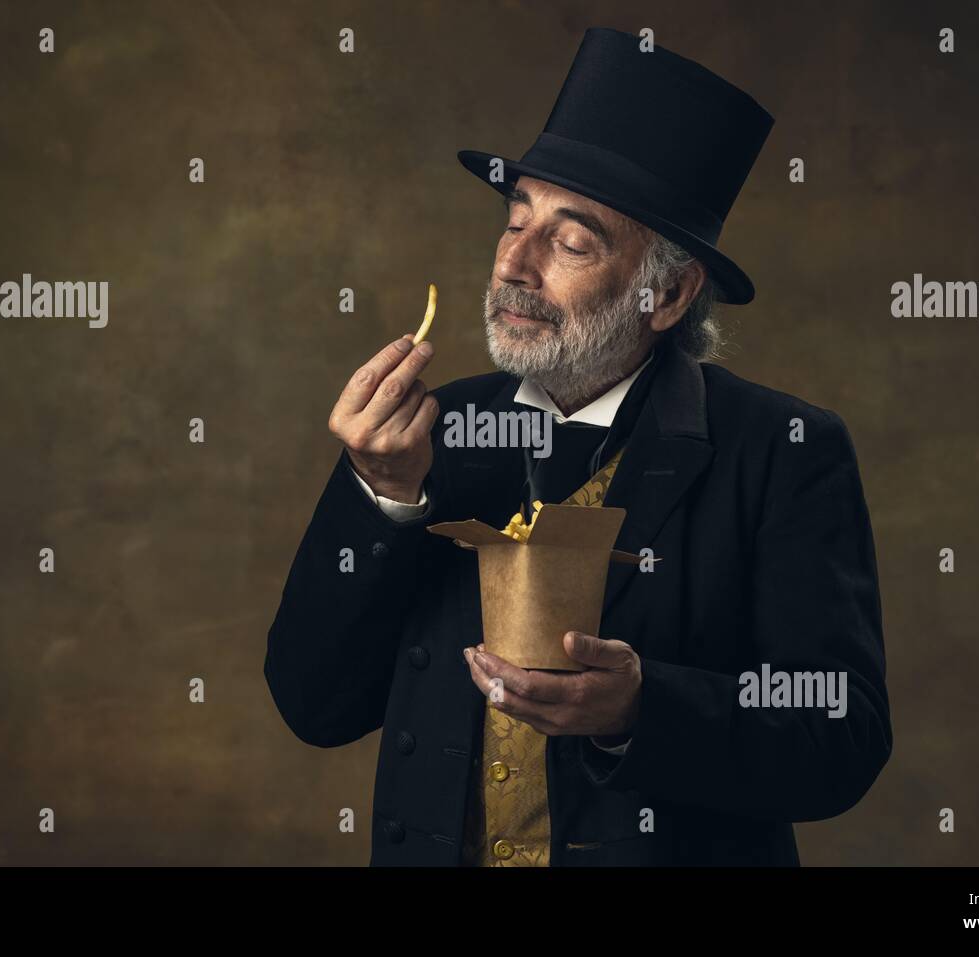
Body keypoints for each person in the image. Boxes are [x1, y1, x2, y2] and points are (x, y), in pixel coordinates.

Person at [265, 27, 892, 866]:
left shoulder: (782, 449)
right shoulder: (425, 434)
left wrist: (644, 708)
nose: (515, 265)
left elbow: (840, 733)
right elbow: (314, 705)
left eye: (569, 241)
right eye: (513, 221)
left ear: (665, 292)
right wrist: (383, 494)